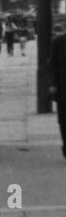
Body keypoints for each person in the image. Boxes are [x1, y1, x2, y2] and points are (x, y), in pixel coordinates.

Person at [49, 25, 66, 158]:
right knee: (64, 121)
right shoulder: (58, 42)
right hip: (62, 88)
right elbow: (52, 65)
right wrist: (53, 84)